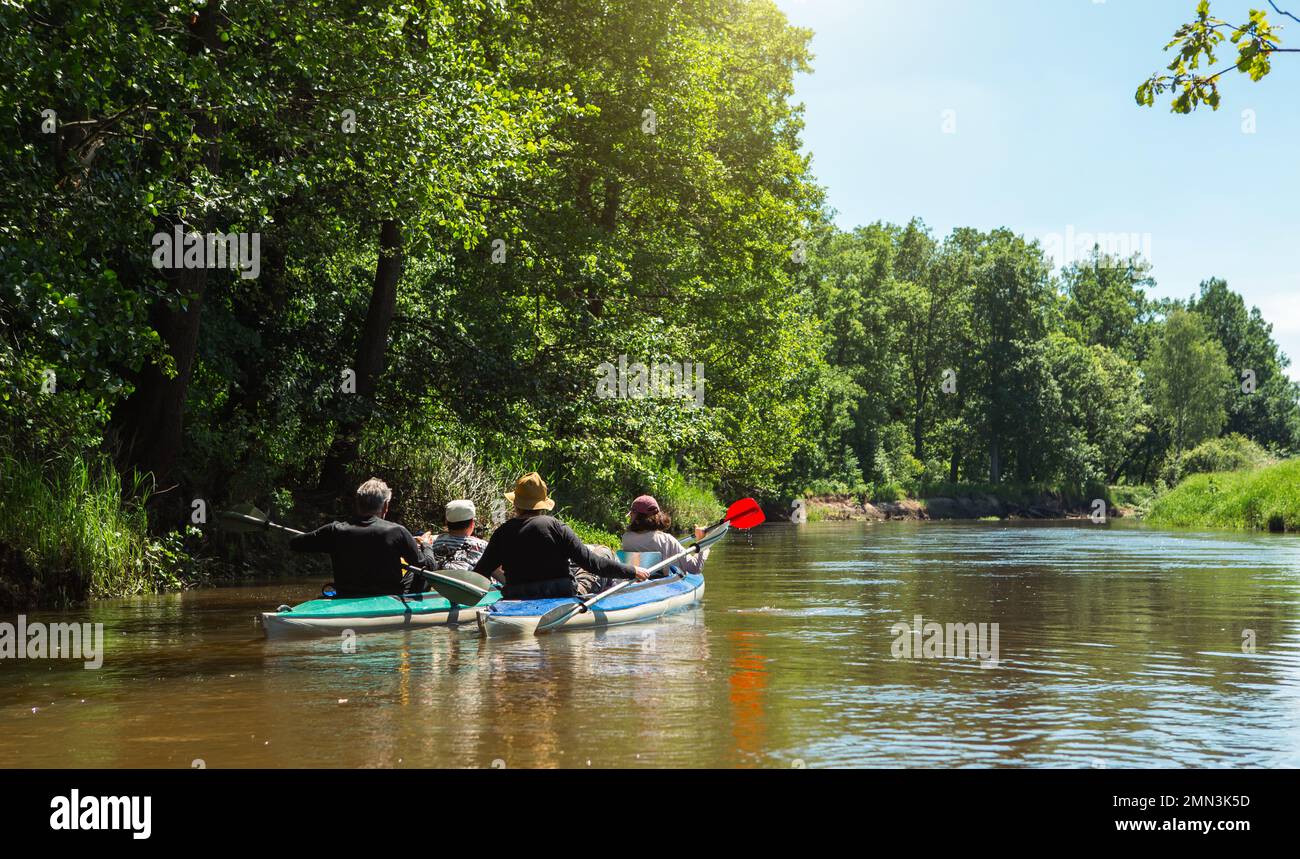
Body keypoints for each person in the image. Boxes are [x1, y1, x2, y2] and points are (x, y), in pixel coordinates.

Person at [473, 472, 648, 599]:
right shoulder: (556, 527)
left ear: (516, 505)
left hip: (517, 594)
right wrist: (632, 571)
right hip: (562, 594)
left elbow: (480, 573)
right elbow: (594, 564)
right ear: (542, 505)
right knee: (603, 552)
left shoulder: (502, 532)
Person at [289, 477, 425, 597]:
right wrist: (427, 545)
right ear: (385, 506)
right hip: (388, 598)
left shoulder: (334, 530)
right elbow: (426, 565)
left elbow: (294, 543)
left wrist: (323, 539)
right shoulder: (396, 531)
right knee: (416, 573)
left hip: (346, 594)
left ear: (358, 504)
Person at [620, 495, 708, 575]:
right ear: (657, 516)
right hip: (660, 584)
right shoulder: (666, 540)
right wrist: (702, 542)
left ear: (636, 518)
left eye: (631, 514)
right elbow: (695, 568)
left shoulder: (626, 538)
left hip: (636, 583)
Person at [416, 499, 490, 575]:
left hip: (435, 584)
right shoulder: (483, 546)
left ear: (446, 522)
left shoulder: (429, 540)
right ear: (472, 523)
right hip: (468, 584)